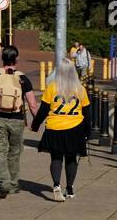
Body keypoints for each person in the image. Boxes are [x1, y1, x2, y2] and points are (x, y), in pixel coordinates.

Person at [0, 45, 38, 199]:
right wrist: (36, 122)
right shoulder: (23, 78)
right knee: (14, 153)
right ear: (16, 59)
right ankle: (13, 183)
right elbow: (32, 103)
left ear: (2, 58)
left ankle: (3, 183)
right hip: (17, 120)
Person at [32, 57, 89, 202]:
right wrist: (88, 132)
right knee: (71, 158)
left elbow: (43, 110)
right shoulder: (80, 89)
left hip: (54, 127)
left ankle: (56, 185)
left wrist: (35, 125)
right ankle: (69, 188)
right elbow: (87, 113)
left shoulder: (52, 87)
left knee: (56, 157)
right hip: (75, 127)